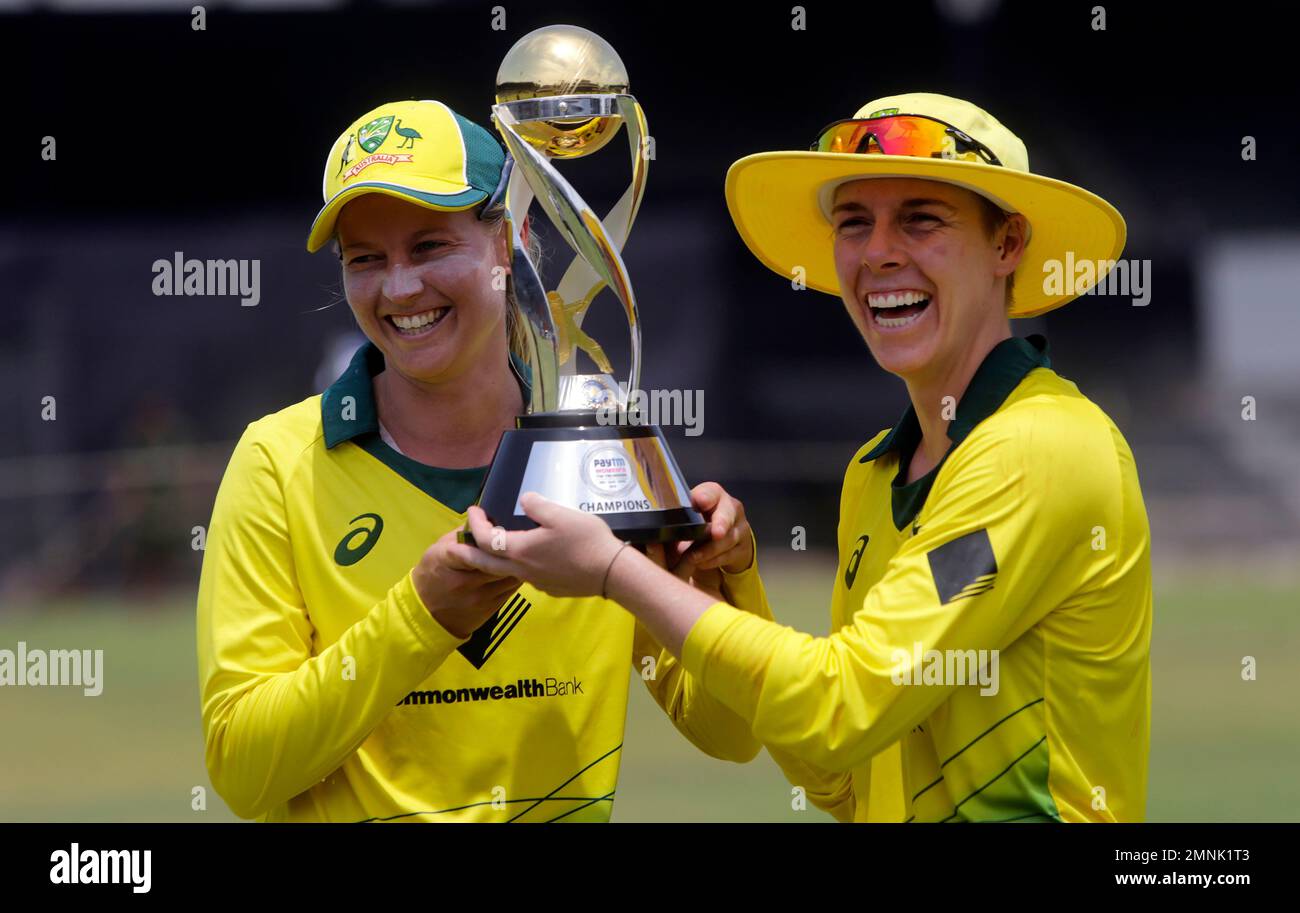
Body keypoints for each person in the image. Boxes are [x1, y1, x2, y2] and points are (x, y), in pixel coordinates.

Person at [455, 92, 1154, 823]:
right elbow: (838, 772)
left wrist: (613, 571)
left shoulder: (1041, 449)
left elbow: (840, 706)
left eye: (921, 218)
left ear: (1007, 244)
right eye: (854, 223)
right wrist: (732, 579)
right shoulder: (875, 471)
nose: (880, 251)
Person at [196, 98, 766, 822]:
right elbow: (243, 769)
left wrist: (728, 583)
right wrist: (418, 618)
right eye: (366, 259)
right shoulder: (278, 462)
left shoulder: (593, 445)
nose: (399, 288)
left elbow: (735, 731)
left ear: (512, 242)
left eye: (430, 246)